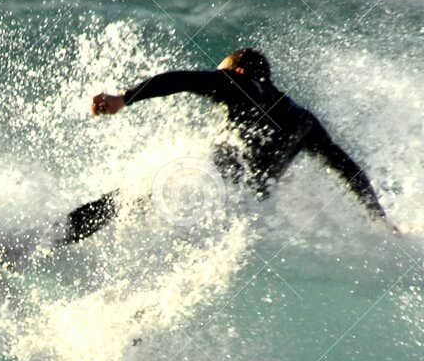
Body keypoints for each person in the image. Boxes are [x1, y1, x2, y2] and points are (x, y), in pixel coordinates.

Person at [64, 47, 393, 242]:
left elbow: (180, 80)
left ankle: (51, 237)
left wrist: (124, 97)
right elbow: (349, 169)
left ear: (235, 70)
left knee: (127, 200)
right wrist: (379, 219)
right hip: (244, 214)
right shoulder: (305, 121)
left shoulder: (239, 82)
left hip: (208, 187)